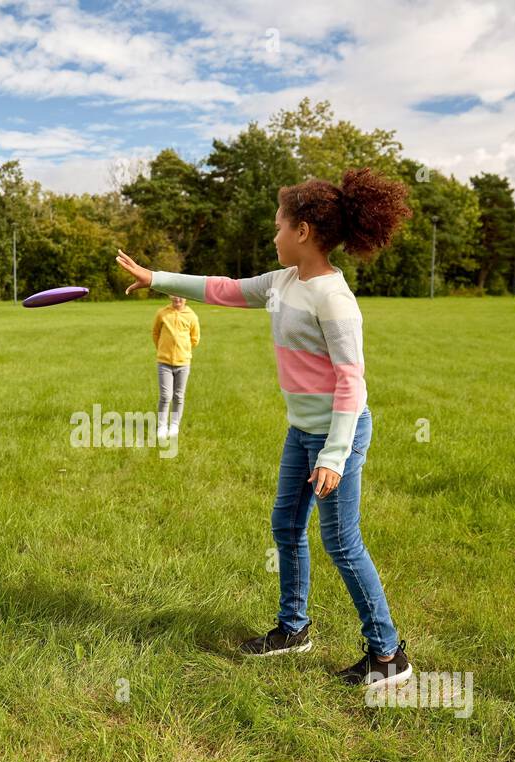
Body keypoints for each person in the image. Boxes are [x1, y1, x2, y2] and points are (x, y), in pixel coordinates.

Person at [116, 169, 413, 687]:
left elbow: (352, 384)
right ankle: (294, 628)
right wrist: (156, 279)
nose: (272, 236)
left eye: (278, 225)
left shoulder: (334, 300)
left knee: (341, 543)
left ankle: (387, 654)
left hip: (334, 438)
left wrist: (334, 456)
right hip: (302, 432)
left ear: (302, 231)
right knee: (286, 527)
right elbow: (224, 289)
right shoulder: (283, 283)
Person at [152, 294, 200, 439]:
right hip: (164, 362)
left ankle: (174, 425)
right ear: (170, 296)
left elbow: (195, 338)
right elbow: (155, 333)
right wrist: (162, 348)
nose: (177, 300)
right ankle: (162, 426)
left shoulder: (191, 316)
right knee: (165, 396)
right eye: (174, 297)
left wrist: (183, 350)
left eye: (180, 297)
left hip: (183, 363)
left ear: (186, 298)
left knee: (178, 396)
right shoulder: (162, 313)